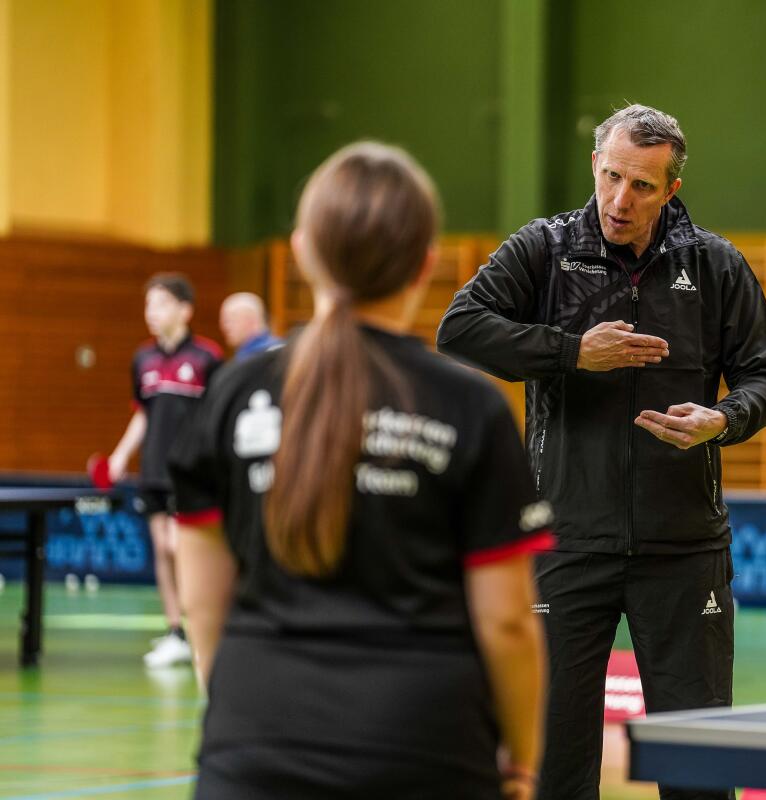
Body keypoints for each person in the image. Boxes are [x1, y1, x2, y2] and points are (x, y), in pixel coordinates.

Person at [169, 141, 549, 799]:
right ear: (426, 265)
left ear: (301, 251)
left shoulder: (234, 393)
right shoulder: (469, 405)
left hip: (254, 741)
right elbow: (508, 621)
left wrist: (237, 706)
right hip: (425, 749)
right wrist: (522, 760)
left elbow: (201, 589)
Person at [437, 104, 766, 800]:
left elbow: (765, 373)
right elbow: (459, 328)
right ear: (595, 168)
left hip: (683, 548)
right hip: (564, 543)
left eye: (643, 186)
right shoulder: (542, 249)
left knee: (698, 761)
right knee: (555, 763)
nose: (620, 200)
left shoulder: (715, 265)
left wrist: (722, 418)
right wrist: (571, 351)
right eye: (611, 177)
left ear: (672, 191)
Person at [106, 272, 223, 668]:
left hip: (190, 471)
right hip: (152, 469)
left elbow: (217, 418)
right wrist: (121, 456)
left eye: (159, 304)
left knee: (181, 547)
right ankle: (176, 630)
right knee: (161, 548)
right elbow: (142, 414)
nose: (150, 313)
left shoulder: (207, 358)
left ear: (184, 310)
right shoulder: (144, 359)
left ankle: (199, 626)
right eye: (148, 305)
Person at [218, 292, 283, 360]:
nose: (224, 327)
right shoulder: (246, 353)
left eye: (229, 321)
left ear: (250, 320)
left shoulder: (267, 354)